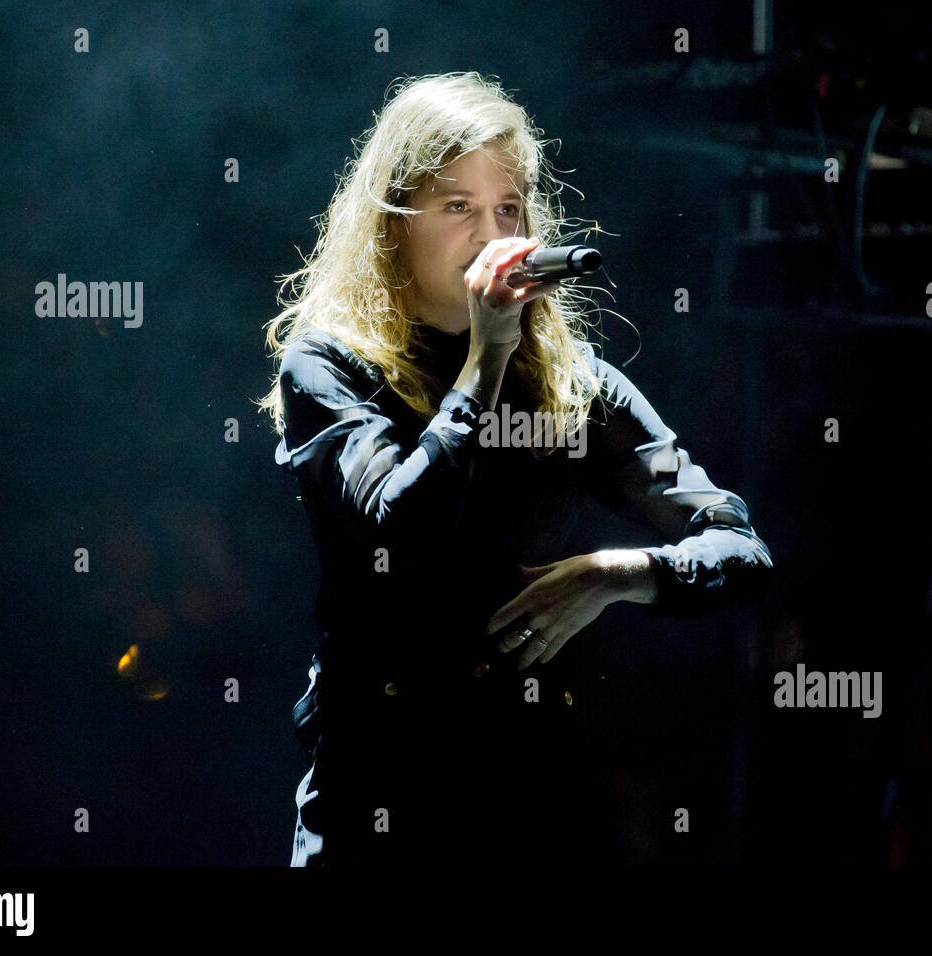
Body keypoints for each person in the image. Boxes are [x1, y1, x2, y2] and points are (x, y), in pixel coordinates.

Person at [257, 72, 774, 869]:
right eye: (457, 206)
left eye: (509, 208)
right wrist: (486, 356)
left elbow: (739, 548)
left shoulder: (574, 381)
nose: (492, 234)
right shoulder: (331, 367)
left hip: (531, 798)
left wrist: (619, 572)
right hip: (380, 802)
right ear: (394, 225)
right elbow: (403, 524)